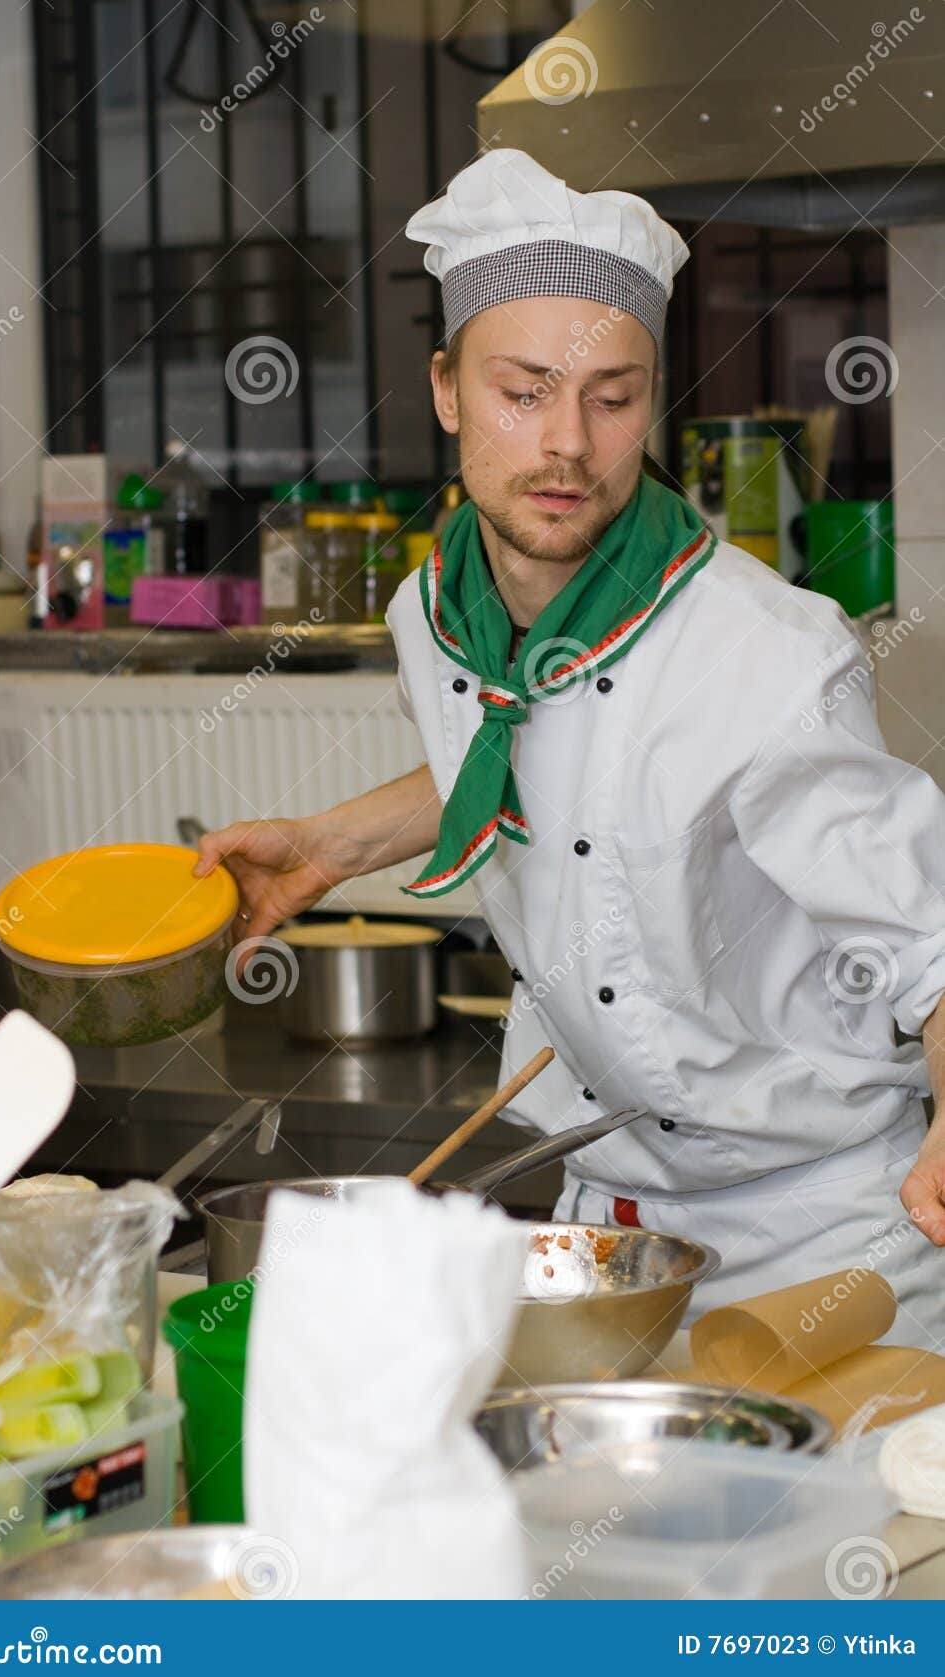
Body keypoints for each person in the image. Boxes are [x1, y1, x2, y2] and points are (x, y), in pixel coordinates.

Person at [197, 148, 945, 1341]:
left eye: (611, 396)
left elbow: (926, 939)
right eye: (523, 390)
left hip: (823, 1236)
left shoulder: (763, 649)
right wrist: (330, 844)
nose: (567, 443)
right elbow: (543, 756)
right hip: (603, 1220)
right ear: (446, 388)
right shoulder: (430, 613)